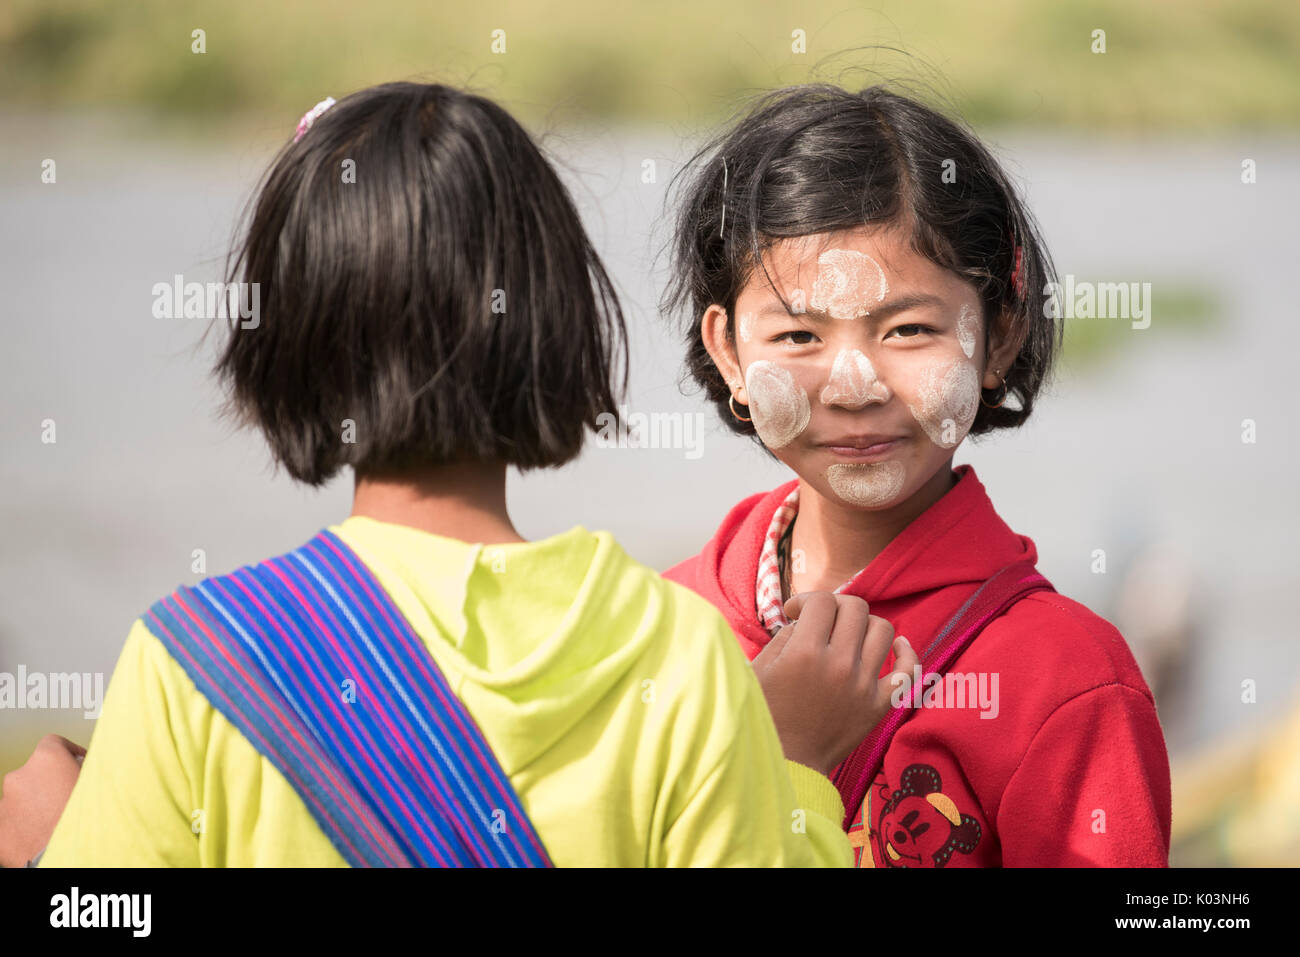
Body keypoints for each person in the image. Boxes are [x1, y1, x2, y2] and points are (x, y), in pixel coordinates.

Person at [25, 82, 916, 868]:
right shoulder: (675, 653)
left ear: (286, 338)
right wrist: (792, 768)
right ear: (561, 319)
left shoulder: (199, 663)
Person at [661, 83, 1172, 867]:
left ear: (1001, 337)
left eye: (907, 329)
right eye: (799, 335)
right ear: (729, 351)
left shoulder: (1065, 679)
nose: (854, 385)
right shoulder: (664, 631)